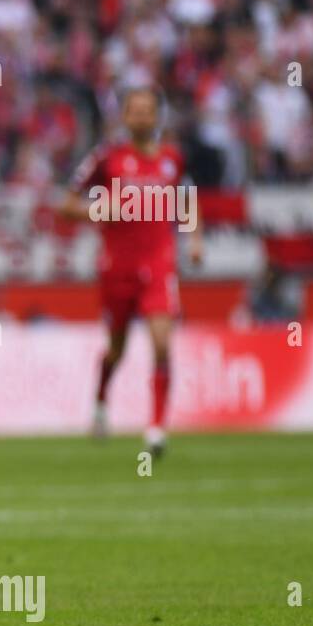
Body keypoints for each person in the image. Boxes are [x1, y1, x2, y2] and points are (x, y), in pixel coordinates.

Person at [64, 87, 203, 457]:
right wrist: (98, 210)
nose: (142, 117)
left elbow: (189, 201)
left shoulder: (172, 160)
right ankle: (100, 400)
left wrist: (194, 239)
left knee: (161, 343)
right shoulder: (107, 159)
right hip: (117, 268)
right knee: (117, 349)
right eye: (135, 111)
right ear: (125, 117)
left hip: (159, 265)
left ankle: (156, 429)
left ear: (157, 116)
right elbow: (66, 204)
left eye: (148, 111)